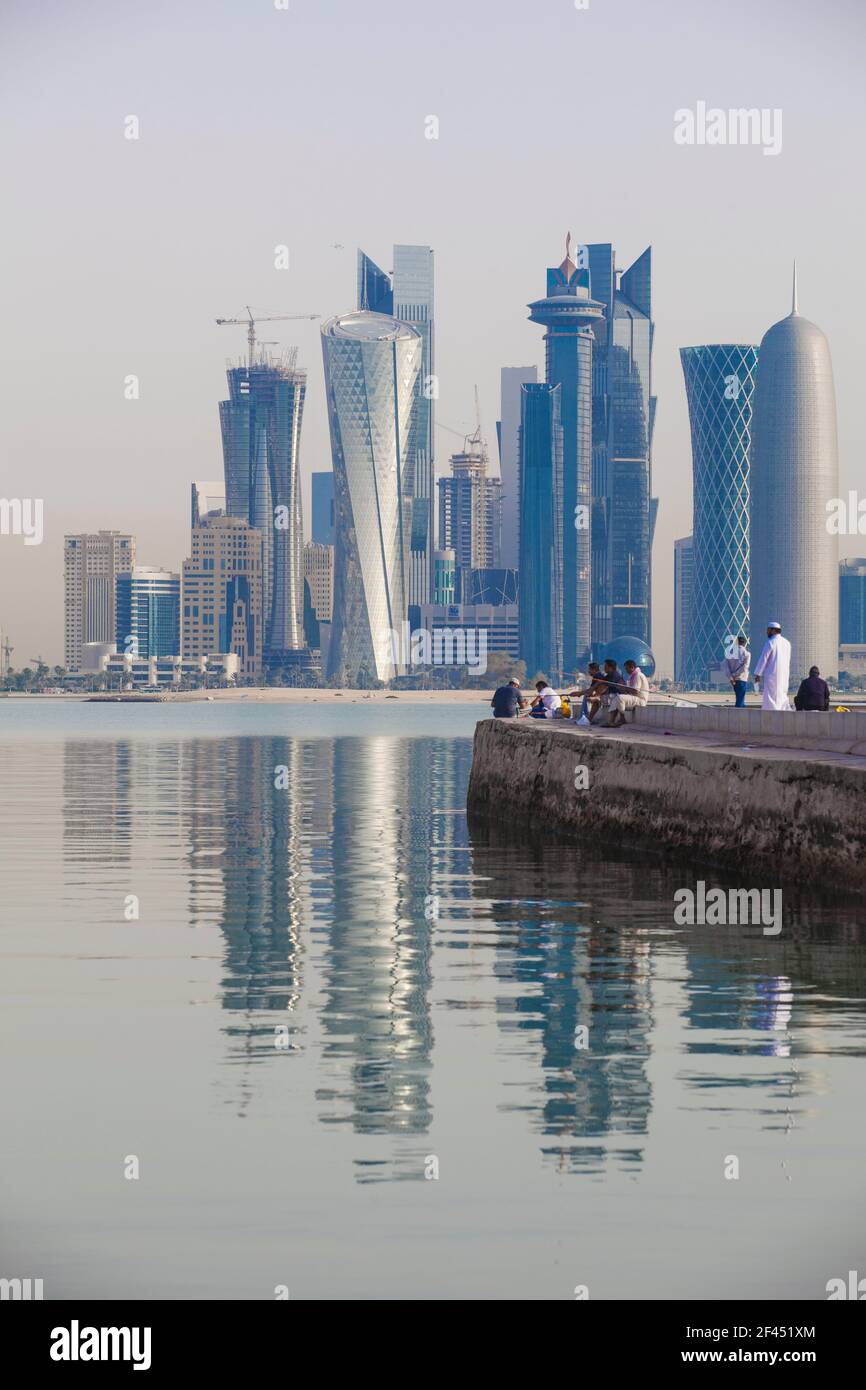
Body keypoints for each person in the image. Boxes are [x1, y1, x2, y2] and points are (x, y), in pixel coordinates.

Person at [752, 621, 792, 711]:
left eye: (768, 630)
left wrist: (758, 674)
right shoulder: (787, 643)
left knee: (771, 695)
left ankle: (772, 713)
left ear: (773, 630)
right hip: (784, 675)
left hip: (772, 674)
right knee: (782, 693)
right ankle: (783, 710)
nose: (767, 632)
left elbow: (763, 658)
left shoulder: (770, 642)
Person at [607, 659, 650, 726]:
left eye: (627, 668)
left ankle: (622, 719)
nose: (626, 671)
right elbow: (630, 691)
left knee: (620, 698)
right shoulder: (633, 676)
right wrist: (621, 688)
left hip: (640, 699)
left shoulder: (638, 675)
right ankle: (611, 721)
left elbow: (635, 691)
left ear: (632, 667)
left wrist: (624, 687)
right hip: (635, 697)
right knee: (616, 698)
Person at [724, 634, 751, 707]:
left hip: (733, 680)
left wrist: (731, 677)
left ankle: (743, 714)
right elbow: (745, 667)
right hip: (742, 678)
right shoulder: (747, 654)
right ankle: (737, 716)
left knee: (740, 698)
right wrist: (735, 675)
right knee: (740, 700)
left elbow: (726, 667)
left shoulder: (729, 653)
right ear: (744, 643)